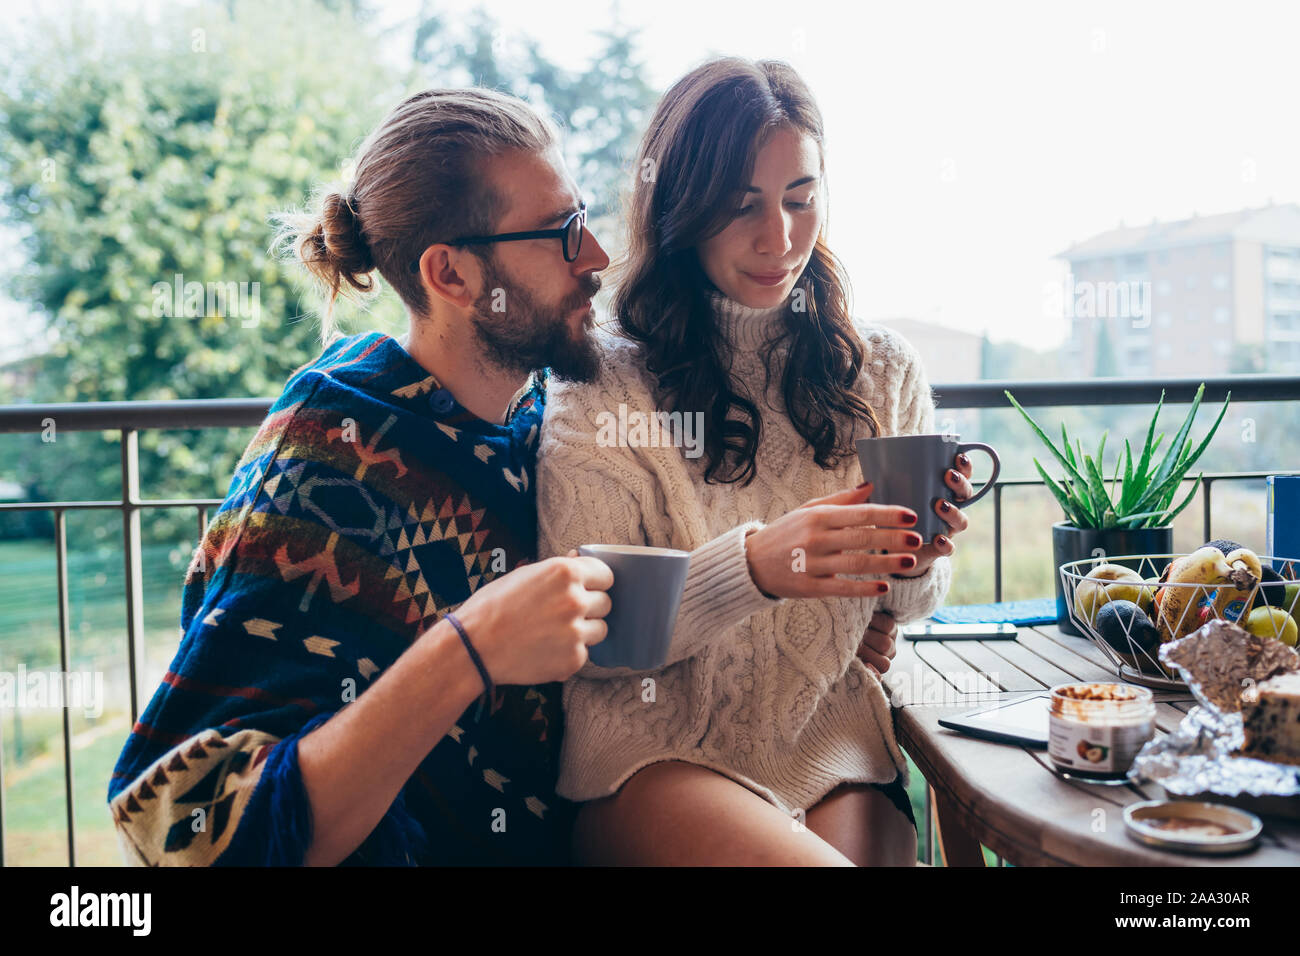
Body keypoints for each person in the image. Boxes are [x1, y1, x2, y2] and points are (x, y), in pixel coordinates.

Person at [106, 88, 616, 865]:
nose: (598, 258)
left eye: (586, 217)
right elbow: (191, 825)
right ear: (450, 274)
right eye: (564, 233)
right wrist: (468, 649)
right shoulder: (329, 457)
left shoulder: (549, 423)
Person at [537, 57, 977, 866]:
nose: (779, 239)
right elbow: (595, 638)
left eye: (800, 200)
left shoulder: (882, 370)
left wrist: (920, 552)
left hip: (832, 738)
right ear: (682, 209)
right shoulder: (603, 385)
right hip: (656, 754)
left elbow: (904, 607)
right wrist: (759, 567)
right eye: (742, 207)